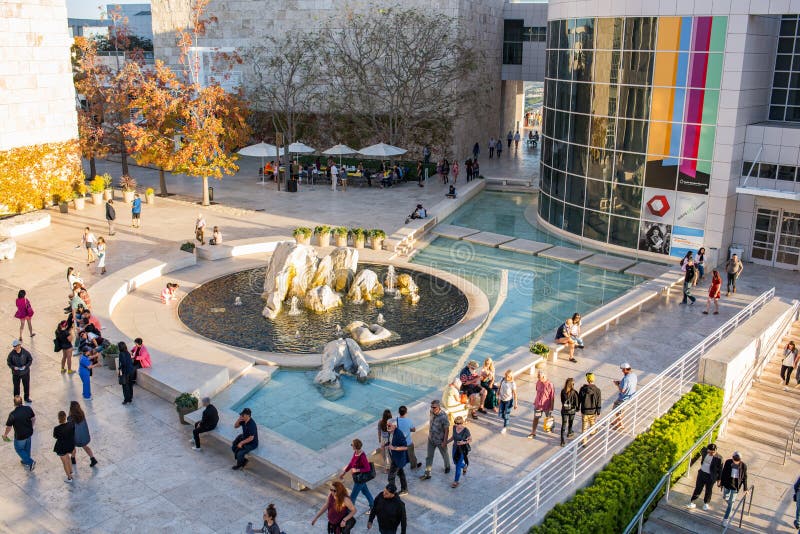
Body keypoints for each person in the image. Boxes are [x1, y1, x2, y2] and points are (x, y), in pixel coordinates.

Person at [339, 438, 374, 512]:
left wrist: (357, 470)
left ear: (355, 446)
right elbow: (351, 463)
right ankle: (373, 506)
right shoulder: (355, 453)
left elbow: (367, 468)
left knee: (353, 496)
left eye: (352, 445)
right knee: (365, 492)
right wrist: (344, 473)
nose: (351, 445)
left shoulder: (362, 456)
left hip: (360, 479)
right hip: (358, 478)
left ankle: (348, 512)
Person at [2, 396, 35, 471]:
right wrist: (31, 427)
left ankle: (30, 462)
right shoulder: (28, 408)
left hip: (20, 436)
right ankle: (26, 461)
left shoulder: (12, 414)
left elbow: (9, 427)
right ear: (21, 402)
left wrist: (5, 435)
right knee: (27, 448)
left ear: (14, 404)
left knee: (19, 449)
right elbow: (33, 419)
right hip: (29, 433)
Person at [420, 400, 450, 480]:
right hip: (431, 439)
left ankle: (447, 466)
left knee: (444, 454)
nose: (432, 408)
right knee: (429, 456)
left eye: (434, 407)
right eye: (431, 407)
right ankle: (427, 473)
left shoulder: (443, 416)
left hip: (440, 440)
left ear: (439, 407)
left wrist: (445, 441)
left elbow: (447, 430)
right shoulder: (431, 412)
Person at [686, 443, 722, 511]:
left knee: (708, 490)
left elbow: (720, 470)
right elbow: (701, 448)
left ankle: (706, 503)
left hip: (711, 476)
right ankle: (692, 502)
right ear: (707, 450)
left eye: (713, 452)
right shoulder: (704, 451)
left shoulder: (719, 458)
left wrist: (719, 480)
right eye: (709, 452)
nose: (711, 453)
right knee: (698, 488)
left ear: (716, 450)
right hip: (702, 473)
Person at [719, 451, 748, 523]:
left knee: (731, 503)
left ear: (740, 459)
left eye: (737, 460)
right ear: (732, 458)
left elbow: (745, 477)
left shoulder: (743, 466)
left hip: (735, 487)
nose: (736, 462)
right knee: (725, 497)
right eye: (735, 460)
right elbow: (724, 472)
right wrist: (721, 483)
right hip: (727, 484)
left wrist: (745, 488)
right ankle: (730, 507)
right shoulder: (728, 462)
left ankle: (725, 519)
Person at [68, 401, 97, 467]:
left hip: (76, 437)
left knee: (73, 447)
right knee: (85, 447)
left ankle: (73, 459)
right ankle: (92, 458)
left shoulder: (70, 418)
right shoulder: (82, 414)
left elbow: (69, 428)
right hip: (84, 435)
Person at [528, 370, 555, 439]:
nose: (538, 378)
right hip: (538, 405)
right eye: (537, 376)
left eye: (539, 376)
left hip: (547, 406)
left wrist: (551, 407)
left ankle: (550, 429)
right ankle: (533, 432)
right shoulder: (538, 382)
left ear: (543, 376)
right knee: (536, 418)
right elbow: (537, 391)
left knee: (548, 418)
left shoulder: (550, 384)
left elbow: (552, 397)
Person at [386, 419, 409, 496]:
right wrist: (388, 444)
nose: (387, 426)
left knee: (390, 476)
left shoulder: (399, 434)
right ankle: (404, 489)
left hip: (398, 459)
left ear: (394, 426)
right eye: (387, 425)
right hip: (394, 457)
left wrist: (394, 448)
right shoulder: (390, 432)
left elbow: (405, 447)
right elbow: (392, 442)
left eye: (389, 425)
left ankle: (392, 493)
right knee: (401, 473)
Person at [578, 372, 602, 445]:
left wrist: (578, 407)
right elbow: (599, 402)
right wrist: (598, 411)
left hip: (584, 411)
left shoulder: (582, 389)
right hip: (593, 410)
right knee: (592, 421)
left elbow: (579, 399)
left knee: (584, 426)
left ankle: (584, 441)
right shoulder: (597, 390)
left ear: (587, 379)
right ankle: (592, 431)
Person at [612, 363, 638, 429]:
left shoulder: (626, 378)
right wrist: (621, 382)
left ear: (626, 369)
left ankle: (620, 424)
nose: (622, 371)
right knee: (622, 409)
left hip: (623, 397)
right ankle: (616, 421)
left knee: (616, 409)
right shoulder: (634, 375)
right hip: (631, 396)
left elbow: (622, 390)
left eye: (623, 370)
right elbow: (629, 383)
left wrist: (617, 384)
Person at [53, 410, 75, 483]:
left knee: (65, 462)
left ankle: (69, 478)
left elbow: (55, 436)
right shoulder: (71, 424)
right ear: (65, 417)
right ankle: (71, 471)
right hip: (69, 445)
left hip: (61, 447)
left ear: (58, 418)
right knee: (68, 458)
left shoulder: (57, 428)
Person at [496, 369, 517, 434]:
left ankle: (505, 427)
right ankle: (506, 419)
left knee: (506, 415)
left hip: (508, 401)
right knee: (501, 414)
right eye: (506, 376)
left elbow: (515, 394)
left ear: (511, 377)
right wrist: (498, 398)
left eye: (508, 376)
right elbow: (500, 389)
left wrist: (516, 403)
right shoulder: (503, 380)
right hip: (502, 399)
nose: (507, 377)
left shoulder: (512, 383)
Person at [560, 378, 579, 446]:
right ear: (572, 384)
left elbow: (562, 401)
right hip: (571, 410)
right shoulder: (574, 392)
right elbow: (577, 403)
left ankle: (562, 440)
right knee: (570, 422)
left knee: (563, 424)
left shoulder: (563, 391)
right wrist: (577, 409)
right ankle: (569, 433)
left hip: (564, 410)